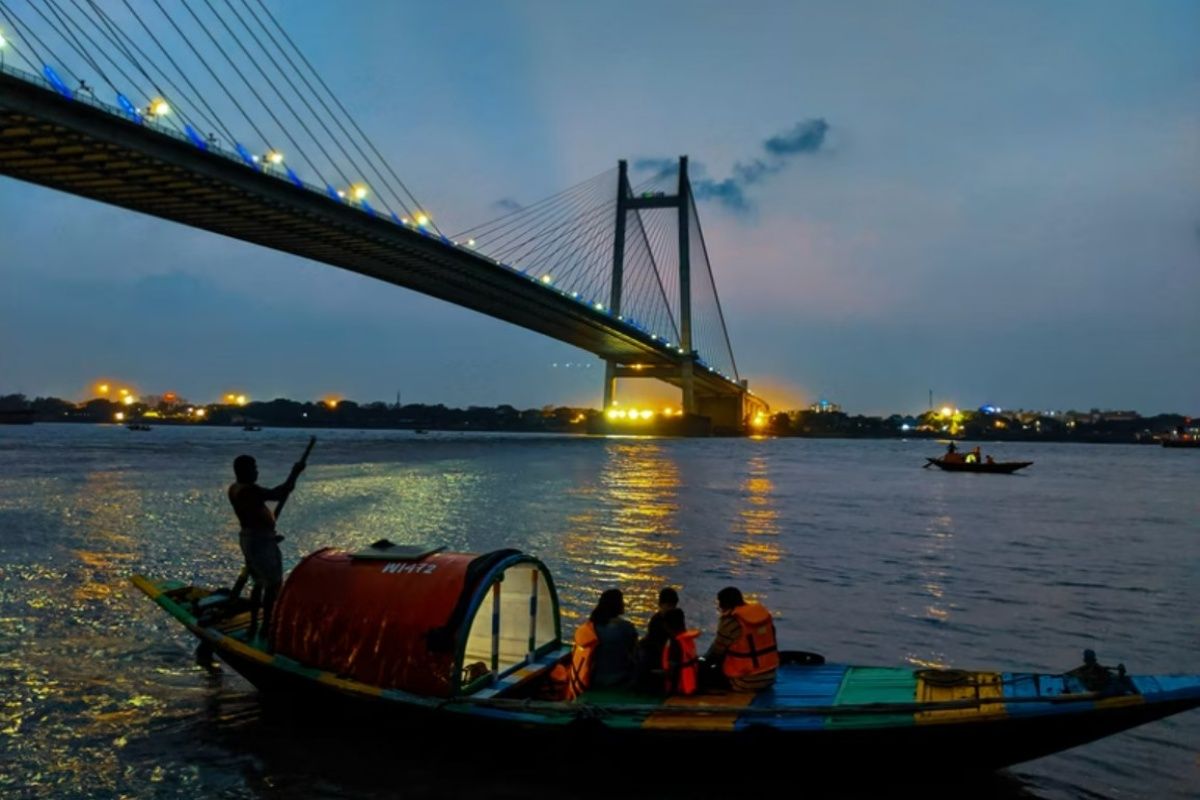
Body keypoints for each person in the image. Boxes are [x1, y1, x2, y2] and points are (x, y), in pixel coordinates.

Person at [228, 454, 304, 642]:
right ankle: (265, 625)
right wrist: (295, 473)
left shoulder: (236, 488)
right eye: (254, 468)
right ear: (243, 471)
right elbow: (280, 494)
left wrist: (270, 536)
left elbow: (269, 502)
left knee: (259, 582)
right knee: (272, 584)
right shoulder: (247, 490)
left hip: (257, 539)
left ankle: (256, 624)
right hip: (258, 541)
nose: (257, 471)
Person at [702, 586, 778, 691]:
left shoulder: (731, 621)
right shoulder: (764, 615)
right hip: (770, 677)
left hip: (744, 681)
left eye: (720, 604)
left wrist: (701, 662)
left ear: (726, 604)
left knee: (703, 671)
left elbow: (716, 652)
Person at [567, 589, 639, 697]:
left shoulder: (590, 627)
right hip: (618, 678)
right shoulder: (626, 628)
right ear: (617, 605)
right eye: (622, 601)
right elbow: (634, 654)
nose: (624, 604)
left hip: (593, 678)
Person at [636, 587, 679, 687]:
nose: (670, 609)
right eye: (669, 605)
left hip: (661, 655)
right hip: (658, 652)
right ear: (661, 605)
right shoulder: (657, 620)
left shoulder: (671, 619)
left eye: (673, 606)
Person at [659, 607, 699, 696]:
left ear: (667, 625)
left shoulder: (675, 643)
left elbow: (673, 670)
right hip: (691, 684)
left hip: (679, 687)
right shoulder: (687, 639)